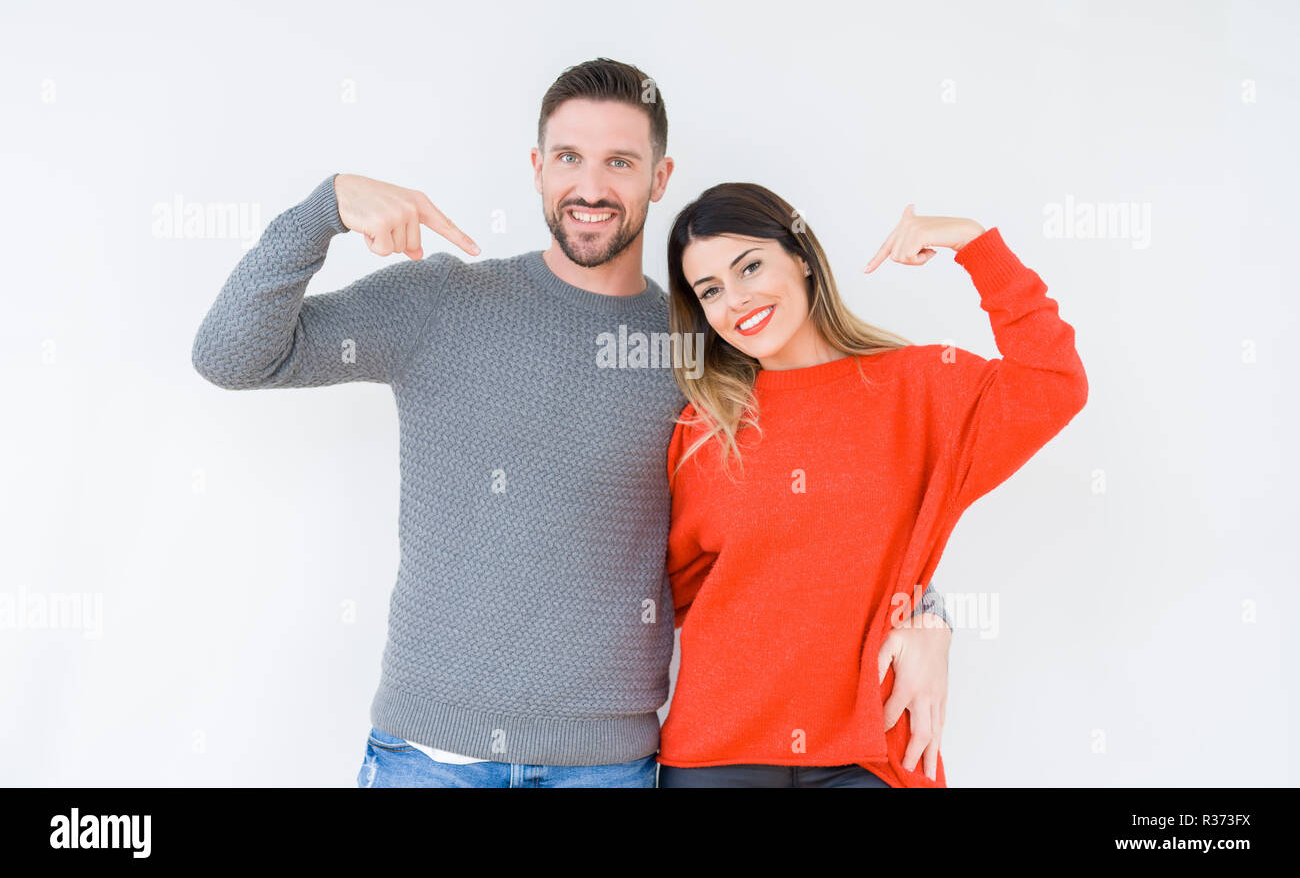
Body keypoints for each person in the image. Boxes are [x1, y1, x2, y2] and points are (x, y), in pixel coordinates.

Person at [191, 58, 954, 788]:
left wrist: (925, 612)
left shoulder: (705, 348)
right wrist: (323, 209)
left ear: (660, 178)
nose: (591, 187)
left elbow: (847, 501)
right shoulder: (440, 302)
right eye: (569, 157)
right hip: (429, 755)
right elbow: (231, 355)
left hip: (609, 765)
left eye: (620, 162)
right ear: (537, 168)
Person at [655, 185, 1088, 787]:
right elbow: (659, 592)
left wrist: (972, 242)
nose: (737, 300)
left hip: (873, 751)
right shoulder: (704, 427)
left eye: (750, 266)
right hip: (717, 753)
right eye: (710, 291)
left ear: (801, 255)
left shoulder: (917, 387)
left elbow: (1052, 384)